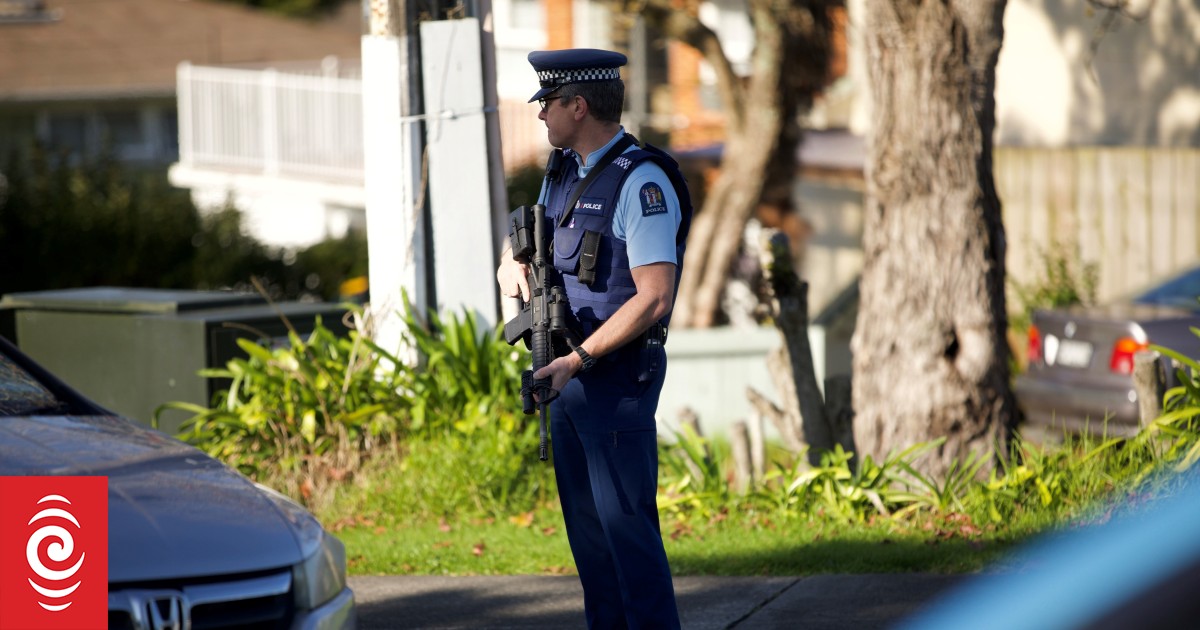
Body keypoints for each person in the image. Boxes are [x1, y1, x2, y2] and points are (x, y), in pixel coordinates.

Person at [495, 48, 693, 629]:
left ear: (578, 106)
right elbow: (537, 229)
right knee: (592, 549)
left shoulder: (642, 182)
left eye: (548, 104)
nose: (540, 116)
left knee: (628, 537)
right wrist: (510, 261)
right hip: (569, 377)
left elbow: (655, 295)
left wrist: (579, 358)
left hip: (612, 380)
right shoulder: (565, 170)